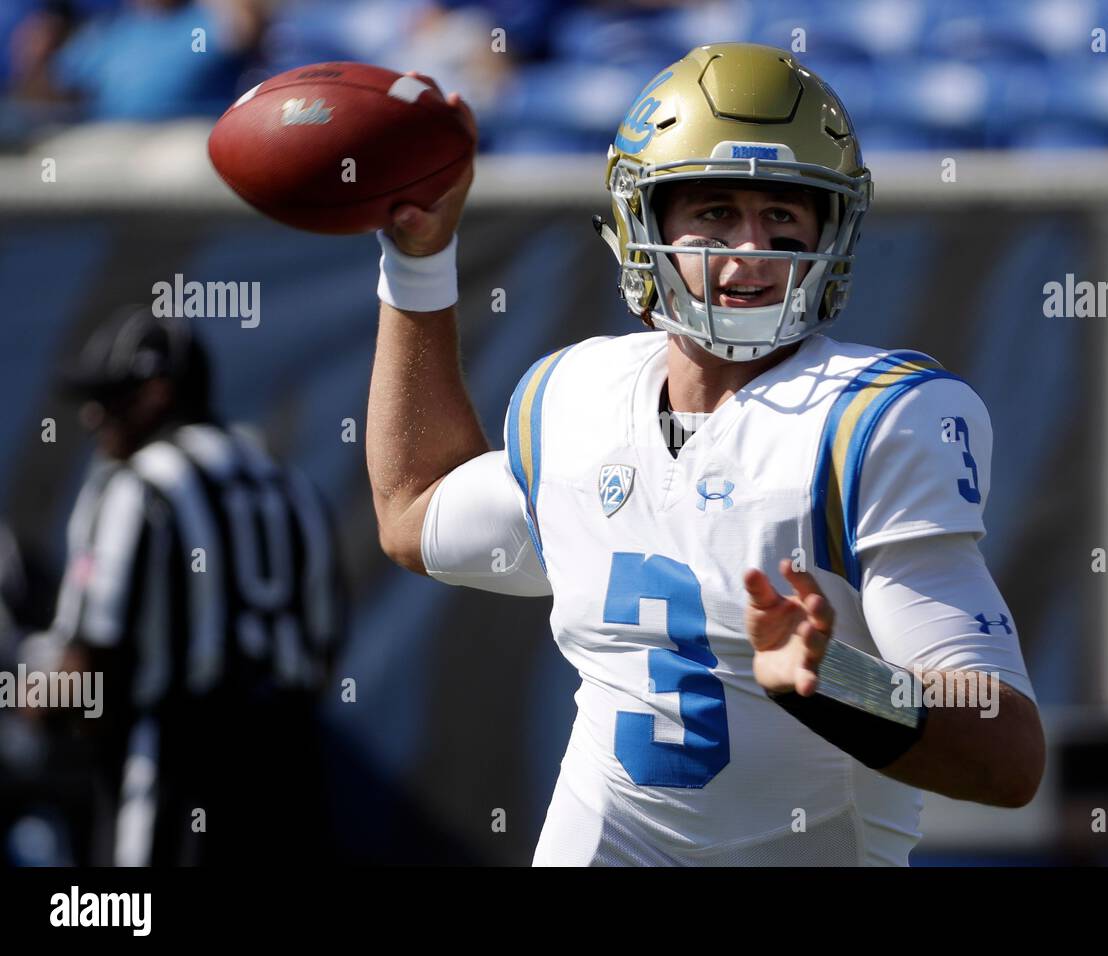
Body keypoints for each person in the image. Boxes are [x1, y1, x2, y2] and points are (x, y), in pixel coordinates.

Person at [367, 42, 1045, 866]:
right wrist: (418, 262)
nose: (752, 249)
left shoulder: (872, 421)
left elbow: (1008, 755)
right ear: (639, 223)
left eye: (785, 215)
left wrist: (841, 683)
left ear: (833, 230)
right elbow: (413, 514)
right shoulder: (575, 396)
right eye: (715, 213)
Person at [33, 306, 343, 865]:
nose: (91, 418)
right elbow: (323, 651)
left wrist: (27, 701)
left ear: (155, 393)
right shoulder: (293, 487)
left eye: (110, 394)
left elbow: (85, 668)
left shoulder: (137, 488)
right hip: (293, 778)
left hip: (179, 778)